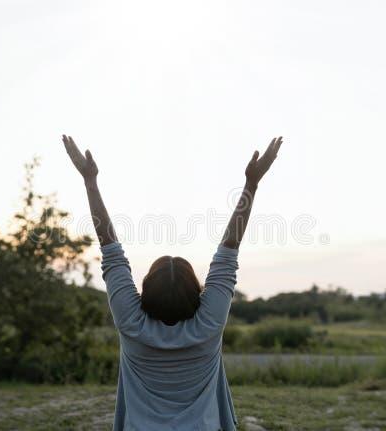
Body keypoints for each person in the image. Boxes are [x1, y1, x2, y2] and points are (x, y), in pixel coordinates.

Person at [63, 134, 283, 430]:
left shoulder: (131, 323)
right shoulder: (208, 324)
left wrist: (90, 181)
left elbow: (109, 248)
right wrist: (251, 184)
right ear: (196, 292)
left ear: (145, 292)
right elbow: (230, 247)